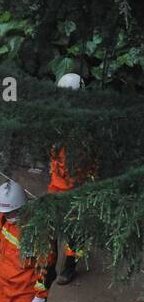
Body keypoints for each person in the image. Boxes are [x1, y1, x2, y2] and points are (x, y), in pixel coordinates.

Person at [48, 73, 88, 285]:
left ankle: (71, 265)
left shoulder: (86, 123)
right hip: (57, 182)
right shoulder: (58, 114)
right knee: (51, 224)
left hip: (76, 185)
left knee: (74, 228)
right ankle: (50, 262)